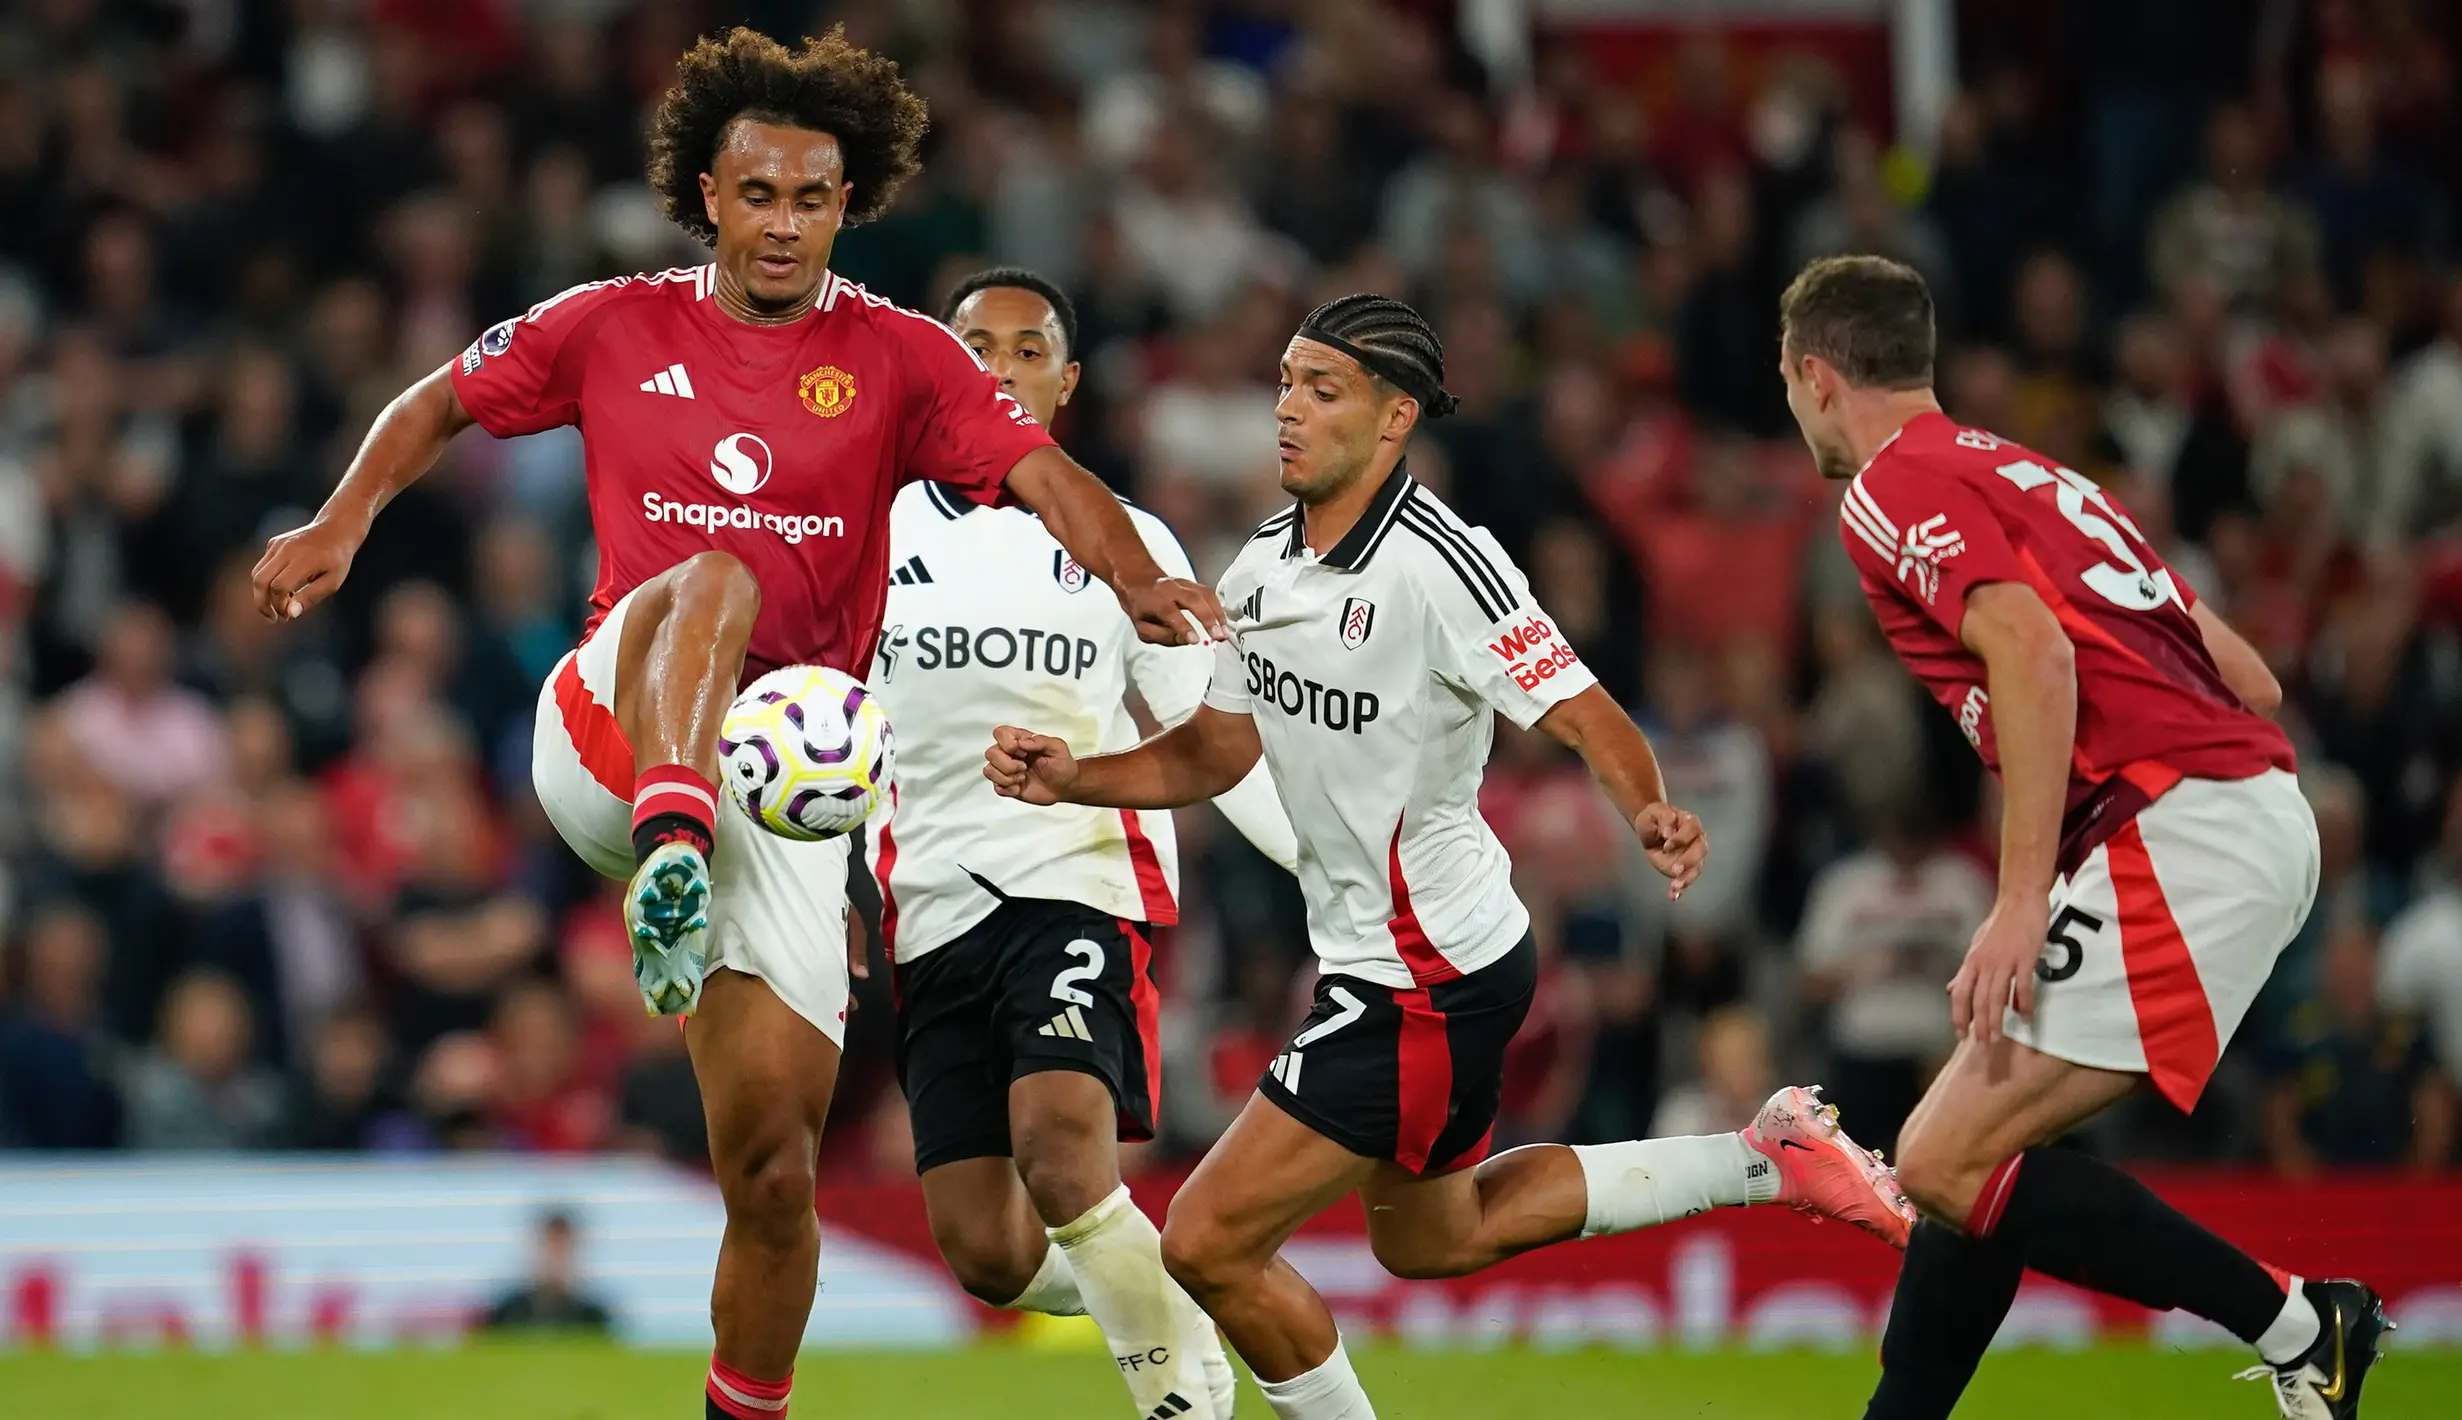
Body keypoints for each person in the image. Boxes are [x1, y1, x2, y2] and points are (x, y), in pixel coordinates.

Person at [248, 30, 1225, 1420]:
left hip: (789, 789)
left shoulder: (896, 356)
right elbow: (439, 402)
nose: (782, 223)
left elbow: (1041, 470)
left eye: (810, 199)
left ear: (846, 205)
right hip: (618, 723)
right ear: (705, 191)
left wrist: (1134, 577)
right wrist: (344, 520)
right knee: (713, 579)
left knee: (771, 1174)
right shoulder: (610, 322)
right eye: (756, 193)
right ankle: (667, 841)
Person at [986, 294, 1914, 1420]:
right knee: (1437, 1237)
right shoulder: (1262, 566)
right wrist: (1073, 775)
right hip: (1399, 961)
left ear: (1392, 420)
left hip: (1423, 973)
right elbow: (1217, 750)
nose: (1285, 409)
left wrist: (1648, 808)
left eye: (1319, 391)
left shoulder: (1441, 565)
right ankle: (1762, 1158)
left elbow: (1579, 707)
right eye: (1284, 381)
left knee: (1206, 1240)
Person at [1776, 254, 2384, 1420]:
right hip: (2228, 805)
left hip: (2177, 822)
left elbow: (2035, 657)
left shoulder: (1887, 486)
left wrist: (2014, 904)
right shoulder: (2039, 477)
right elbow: (2245, 674)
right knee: (1963, 1160)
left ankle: (2309, 1327)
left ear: (1815, 375)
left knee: (1944, 1157)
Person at [870, 267, 1301, 1420]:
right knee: (987, 1254)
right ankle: (1172, 1295)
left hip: (1079, 877)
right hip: (928, 908)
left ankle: (1180, 1401)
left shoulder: (1127, 540)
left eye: (1025, 351)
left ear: (1063, 384)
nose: (997, 369)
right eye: (973, 347)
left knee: (1063, 1156)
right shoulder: (873, 528)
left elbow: (1208, 738)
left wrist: (1321, 870)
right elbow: (824, 736)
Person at [483, 1209, 615, 1333]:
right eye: (551, 1246)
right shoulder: (508, 1313)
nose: (556, 1256)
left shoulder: (592, 1318)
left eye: (563, 1247)